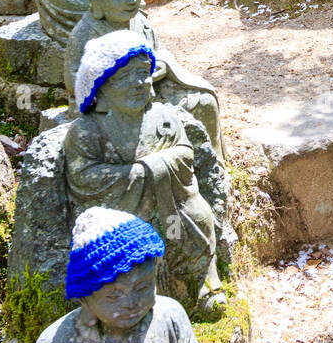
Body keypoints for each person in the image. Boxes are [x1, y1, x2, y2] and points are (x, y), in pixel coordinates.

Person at [65, 32, 226, 315]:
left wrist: (155, 167)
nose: (139, 83)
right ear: (100, 86)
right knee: (119, 247)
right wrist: (143, 172)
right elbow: (83, 178)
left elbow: (185, 153)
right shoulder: (87, 130)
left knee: (199, 215)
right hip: (119, 211)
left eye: (143, 74)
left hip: (175, 202)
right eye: (125, 77)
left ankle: (203, 284)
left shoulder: (163, 116)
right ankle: (131, 304)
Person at [29, 207, 239, 343]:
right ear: (85, 298)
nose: (131, 303)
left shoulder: (170, 314)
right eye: (114, 296)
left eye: (142, 287)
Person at [64, 0, 227, 164]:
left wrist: (159, 65)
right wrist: (112, 79)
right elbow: (72, 79)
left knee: (204, 101)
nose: (131, 0)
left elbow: (159, 51)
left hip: (150, 88)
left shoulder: (139, 22)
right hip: (112, 102)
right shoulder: (85, 32)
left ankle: (209, 165)